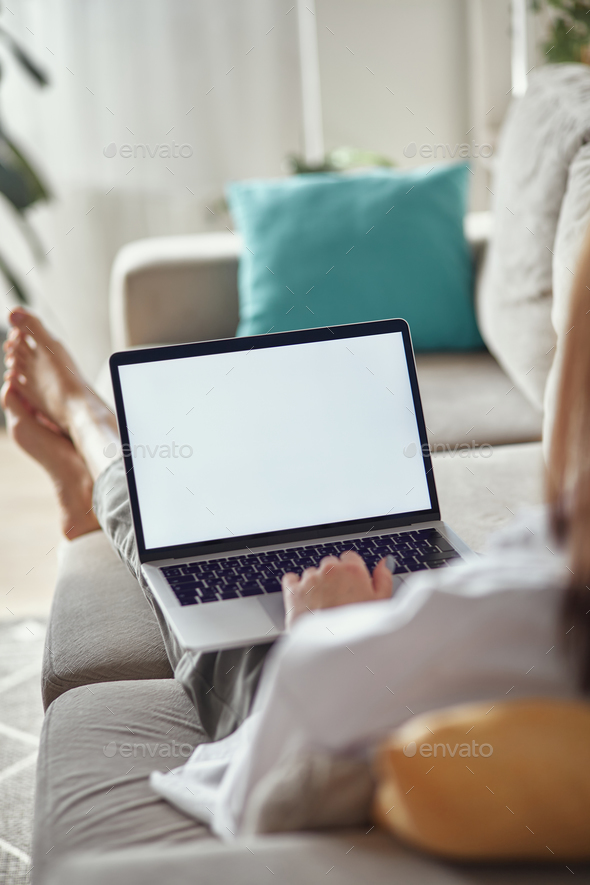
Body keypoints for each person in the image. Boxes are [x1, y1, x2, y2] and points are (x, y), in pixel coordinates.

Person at [2, 226, 589, 834]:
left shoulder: (542, 600)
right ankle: (90, 476)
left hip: (322, 691)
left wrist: (328, 629)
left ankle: (90, 429)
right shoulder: (543, 577)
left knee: (184, 556)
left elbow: (257, 792)